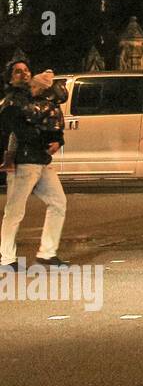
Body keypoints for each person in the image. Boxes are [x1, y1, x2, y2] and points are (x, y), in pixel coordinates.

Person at [0, 60, 69, 268]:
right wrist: (44, 141)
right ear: (10, 77)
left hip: (40, 159)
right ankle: (7, 258)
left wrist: (58, 140)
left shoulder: (35, 96)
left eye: (26, 70)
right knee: (14, 211)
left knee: (58, 202)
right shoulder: (12, 101)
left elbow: (51, 122)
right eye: (17, 71)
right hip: (24, 161)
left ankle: (47, 252)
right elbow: (18, 131)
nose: (23, 74)